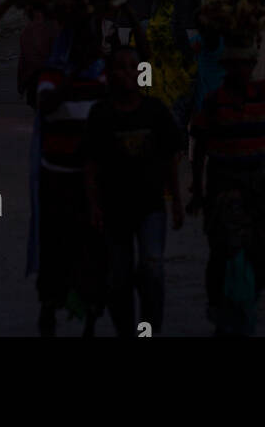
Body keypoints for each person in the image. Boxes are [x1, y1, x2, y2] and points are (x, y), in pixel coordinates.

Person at [187, 15, 265, 335]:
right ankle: (219, 306)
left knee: (257, 254)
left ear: (252, 65)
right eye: (236, 64)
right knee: (224, 250)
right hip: (223, 187)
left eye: (247, 64)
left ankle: (243, 304)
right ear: (227, 66)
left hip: (255, 187)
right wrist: (197, 190)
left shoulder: (262, 93)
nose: (242, 70)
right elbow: (201, 148)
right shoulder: (213, 103)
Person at [83, 46, 184, 336]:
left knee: (152, 269)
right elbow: (90, 164)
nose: (126, 72)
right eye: (120, 67)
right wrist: (93, 205)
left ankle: (151, 329)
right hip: (114, 210)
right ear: (110, 74)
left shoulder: (154, 112)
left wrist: (176, 201)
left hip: (151, 207)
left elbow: (170, 159)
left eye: (132, 66)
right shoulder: (101, 114)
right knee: (119, 278)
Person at [33, 16, 109, 338]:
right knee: (55, 245)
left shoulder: (102, 76)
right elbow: (44, 105)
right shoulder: (51, 75)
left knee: (91, 248)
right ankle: (50, 305)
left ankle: (90, 314)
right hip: (57, 178)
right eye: (81, 41)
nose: (87, 47)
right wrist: (69, 79)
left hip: (91, 182)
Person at [17, 8, 60, 108]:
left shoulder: (27, 31)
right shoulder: (53, 28)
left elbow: (23, 60)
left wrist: (21, 84)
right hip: (47, 75)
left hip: (36, 75)